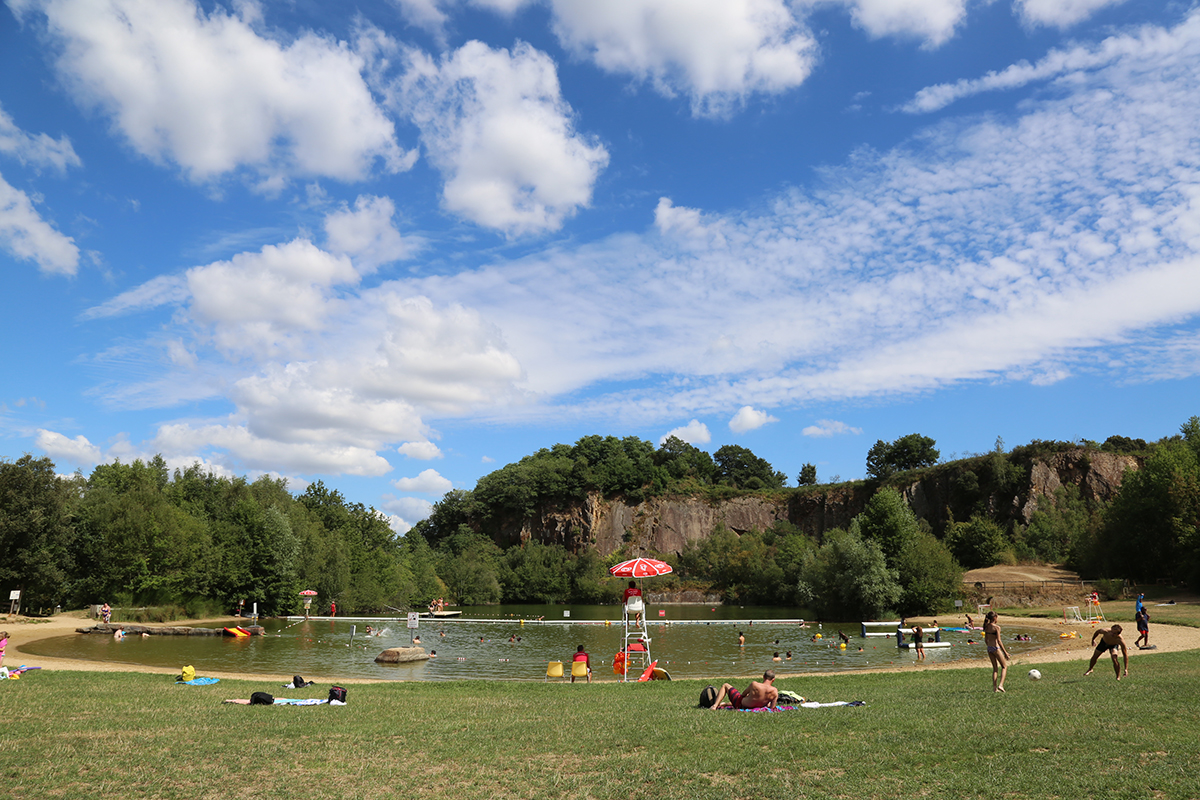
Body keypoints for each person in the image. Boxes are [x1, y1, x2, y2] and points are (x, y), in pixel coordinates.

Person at [710, 669, 779, 711]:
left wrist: (750, 695)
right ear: (773, 680)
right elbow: (772, 708)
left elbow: (743, 694)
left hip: (741, 705)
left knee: (725, 685)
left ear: (763, 677)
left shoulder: (754, 684)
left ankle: (714, 706)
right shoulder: (775, 691)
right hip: (759, 706)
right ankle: (724, 704)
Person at [982, 611, 1009, 692]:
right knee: (1004, 667)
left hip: (989, 648)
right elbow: (999, 641)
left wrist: (989, 646)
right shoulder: (997, 627)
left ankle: (994, 688)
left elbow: (986, 639)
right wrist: (1005, 652)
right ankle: (1001, 685)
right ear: (994, 618)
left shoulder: (986, 626)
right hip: (995, 648)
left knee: (995, 668)